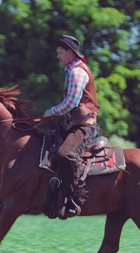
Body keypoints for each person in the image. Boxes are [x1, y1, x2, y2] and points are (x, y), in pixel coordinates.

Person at [43, 35, 101, 218]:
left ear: (70, 52)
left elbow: (71, 102)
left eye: (60, 52)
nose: (57, 56)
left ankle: (75, 200)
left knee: (65, 154)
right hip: (75, 123)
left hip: (85, 125)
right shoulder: (70, 70)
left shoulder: (77, 72)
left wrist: (51, 111)